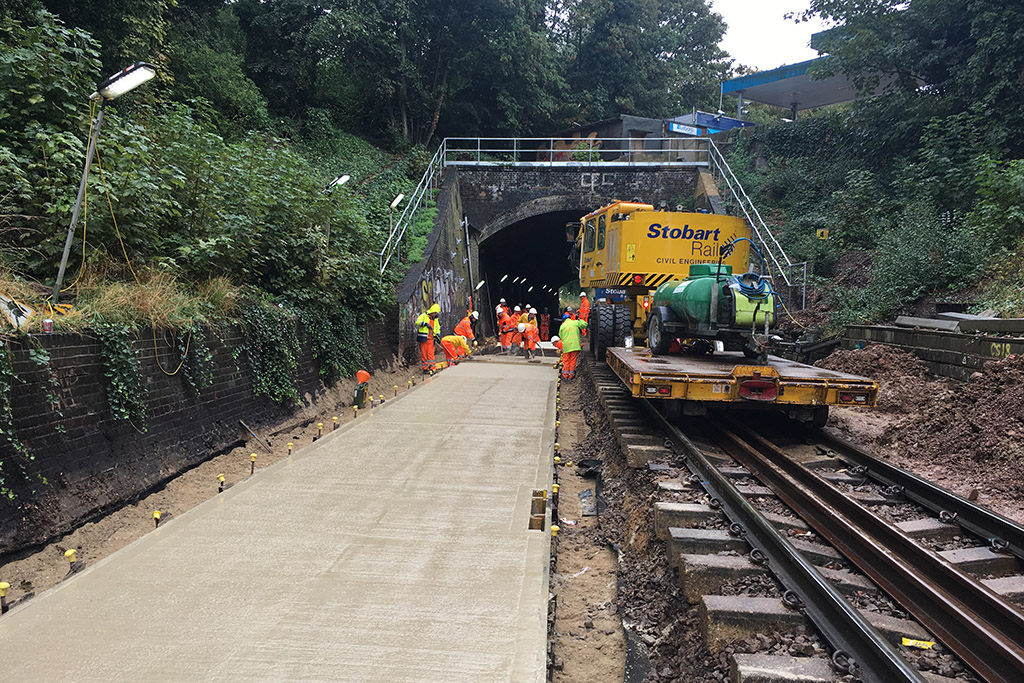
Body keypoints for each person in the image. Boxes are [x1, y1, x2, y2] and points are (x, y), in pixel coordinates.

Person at [557, 315, 587, 380]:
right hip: (575, 346)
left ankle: (565, 375)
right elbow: (585, 325)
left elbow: (560, 336)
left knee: (566, 360)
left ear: (563, 320)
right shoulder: (575, 322)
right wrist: (580, 320)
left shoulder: (562, 326)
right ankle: (571, 375)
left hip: (566, 346)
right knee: (573, 360)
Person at [415, 303, 441, 374]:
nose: (435, 315)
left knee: (431, 354)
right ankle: (425, 369)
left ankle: (432, 367)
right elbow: (417, 322)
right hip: (424, 338)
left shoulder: (435, 319)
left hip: (431, 339)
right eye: (435, 313)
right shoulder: (424, 316)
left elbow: (437, 328)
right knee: (424, 354)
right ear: (432, 312)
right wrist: (425, 324)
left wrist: (437, 335)